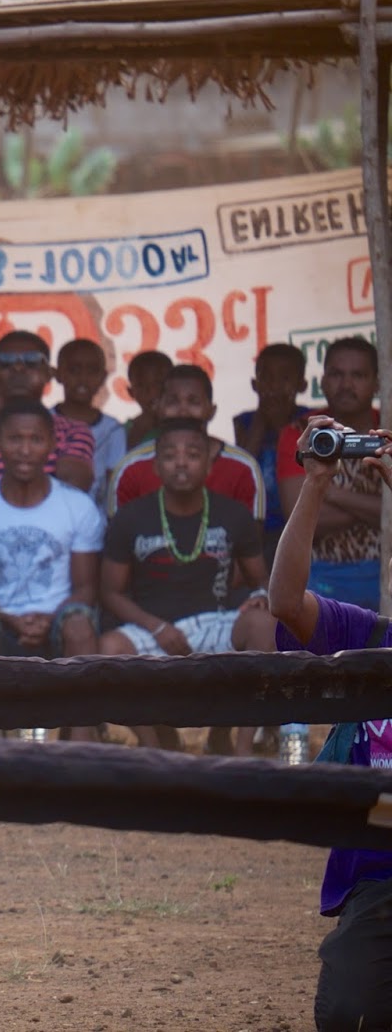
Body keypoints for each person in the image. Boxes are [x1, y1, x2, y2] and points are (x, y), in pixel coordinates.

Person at [269, 413, 392, 1032]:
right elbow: (286, 602)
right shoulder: (372, 638)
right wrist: (316, 480)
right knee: (348, 1012)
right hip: (380, 882)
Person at [97, 418, 273, 753]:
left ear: (209, 462)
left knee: (264, 623)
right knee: (108, 648)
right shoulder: (131, 517)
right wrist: (157, 626)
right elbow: (110, 593)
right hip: (151, 629)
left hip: (216, 624)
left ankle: (243, 747)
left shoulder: (234, 515)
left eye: (192, 454)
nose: (181, 463)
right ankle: (153, 748)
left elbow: (260, 579)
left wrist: (260, 596)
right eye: (169, 455)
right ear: (156, 466)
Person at [0, 400, 103, 681]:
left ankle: (82, 724)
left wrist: (48, 620)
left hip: (58, 621)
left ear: (51, 443)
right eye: (14, 439)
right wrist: (8, 618)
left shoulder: (78, 505)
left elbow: (86, 588)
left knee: (79, 624)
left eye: (36, 439)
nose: (25, 451)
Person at [277, 337, 384, 611]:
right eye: (336, 374)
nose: (346, 385)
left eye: (357, 375)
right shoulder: (302, 432)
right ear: (322, 382)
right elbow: (304, 520)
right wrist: (379, 507)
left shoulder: (388, 429)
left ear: (378, 383)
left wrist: (329, 492)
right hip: (322, 573)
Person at [106, 364, 264, 523]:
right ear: (158, 408)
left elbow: (252, 542)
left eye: (193, 402)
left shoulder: (243, 468)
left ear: (212, 410)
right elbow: (118, 539)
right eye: (172, 402)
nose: (183, 411)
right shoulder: (130, 468)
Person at [0, 331, 94, 494]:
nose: (18, 368)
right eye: (6, 362)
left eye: (31, 361)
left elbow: (71, 496)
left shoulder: (74, 432)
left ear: (48, 374)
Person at [233, 342, 311, 566]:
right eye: (266, 378)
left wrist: (281, 424)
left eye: (285, 378)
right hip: (257, 526)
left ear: (302, 385)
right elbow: (243, 465)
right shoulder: (245, 422)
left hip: (297, 524)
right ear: (254, 384)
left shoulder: (307, 420)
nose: (274, 385)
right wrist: (263, 419)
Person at [53, 338, 126, 510]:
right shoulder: (44, 423)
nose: (83, 378)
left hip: (96, 523)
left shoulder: (113, 430)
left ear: (103, 377)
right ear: (58, 375)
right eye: (74, 370)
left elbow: (113, 486)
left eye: (92, 371)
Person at [123, 349, 173, 449]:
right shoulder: (124, 431)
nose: (151, 391)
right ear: (131, 392)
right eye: (141, 385)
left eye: (158, 383)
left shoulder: (184, 424)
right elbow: (121, 460)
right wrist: (138, 431)